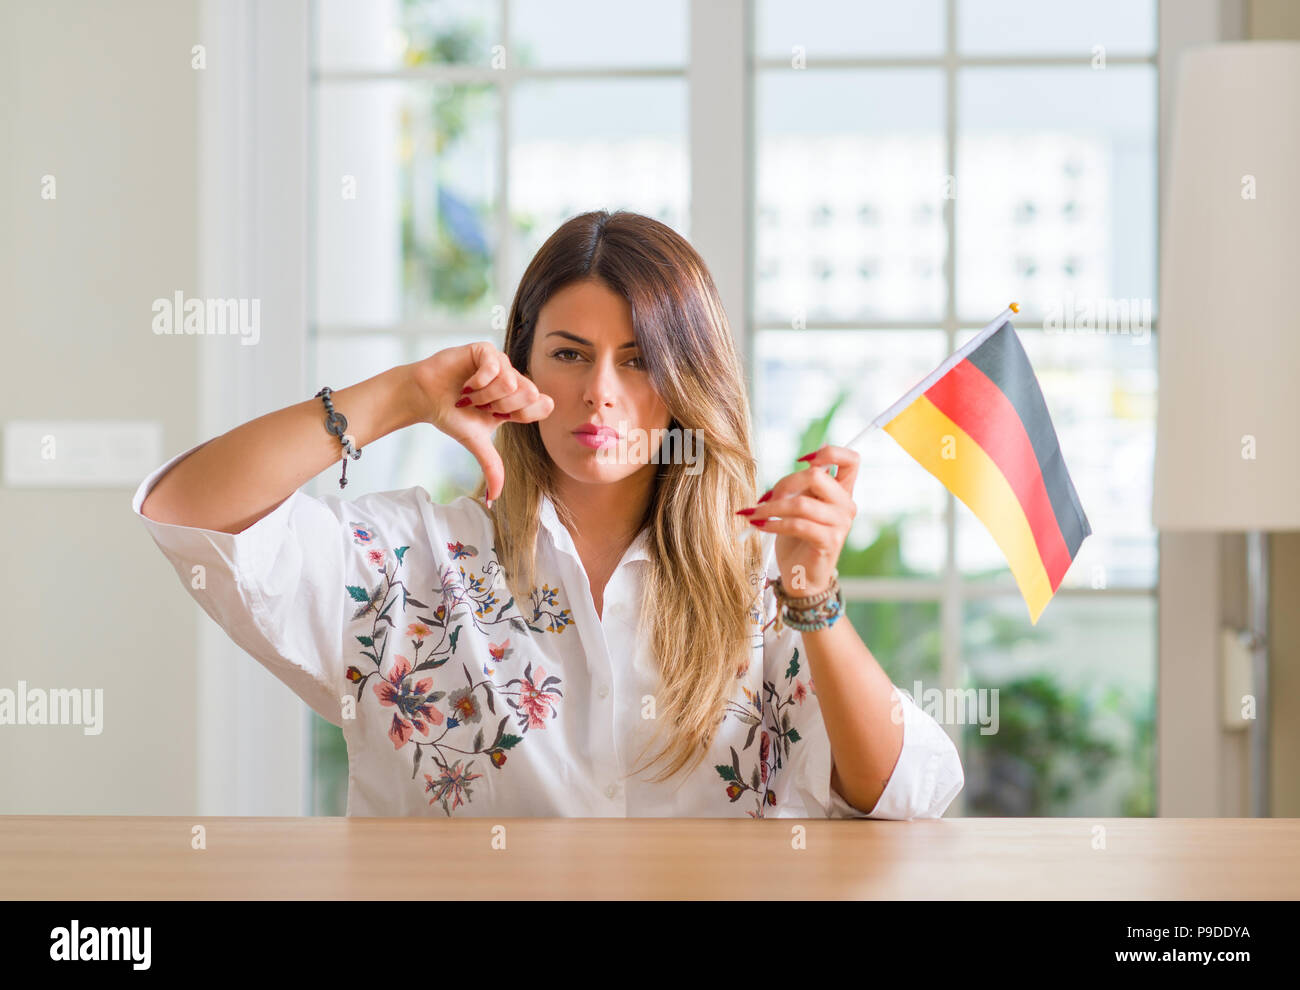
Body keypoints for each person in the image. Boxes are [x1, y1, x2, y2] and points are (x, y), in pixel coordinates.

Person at [134, 209, 963, 819]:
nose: (600, 390)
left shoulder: (757, 580)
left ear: (688, 388)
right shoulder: (411, 557)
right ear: (522, 358)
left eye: (639, 362)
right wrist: (399, 396)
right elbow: (189, 511)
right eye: (569, 354)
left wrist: (814, 598)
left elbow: (904, 792)